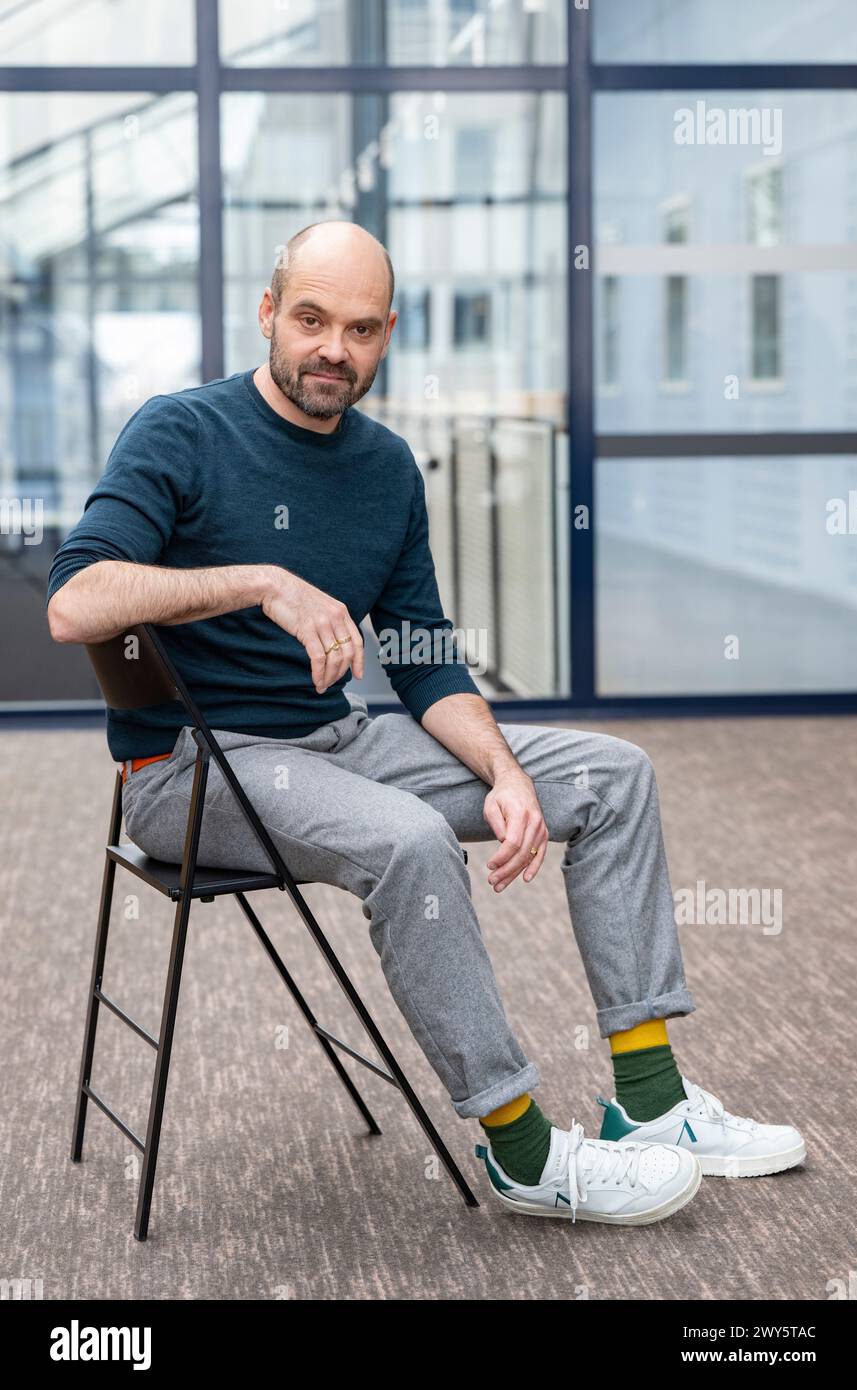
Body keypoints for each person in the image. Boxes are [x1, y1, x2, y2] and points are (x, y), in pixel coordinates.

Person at [46, 220, 805, 1225]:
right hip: (192, 767)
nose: (334, 350)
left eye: (360, 329)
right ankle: (522, 1151)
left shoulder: (385, 468)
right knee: (409, 843)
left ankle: (653, 1105)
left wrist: (499, 767)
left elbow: (423, 656)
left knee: (609, 775)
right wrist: (263, 580)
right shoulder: (181, 428)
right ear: (268, 312)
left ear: (387, 333)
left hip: (340, 742)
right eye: (311, 319)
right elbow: (73, 601)